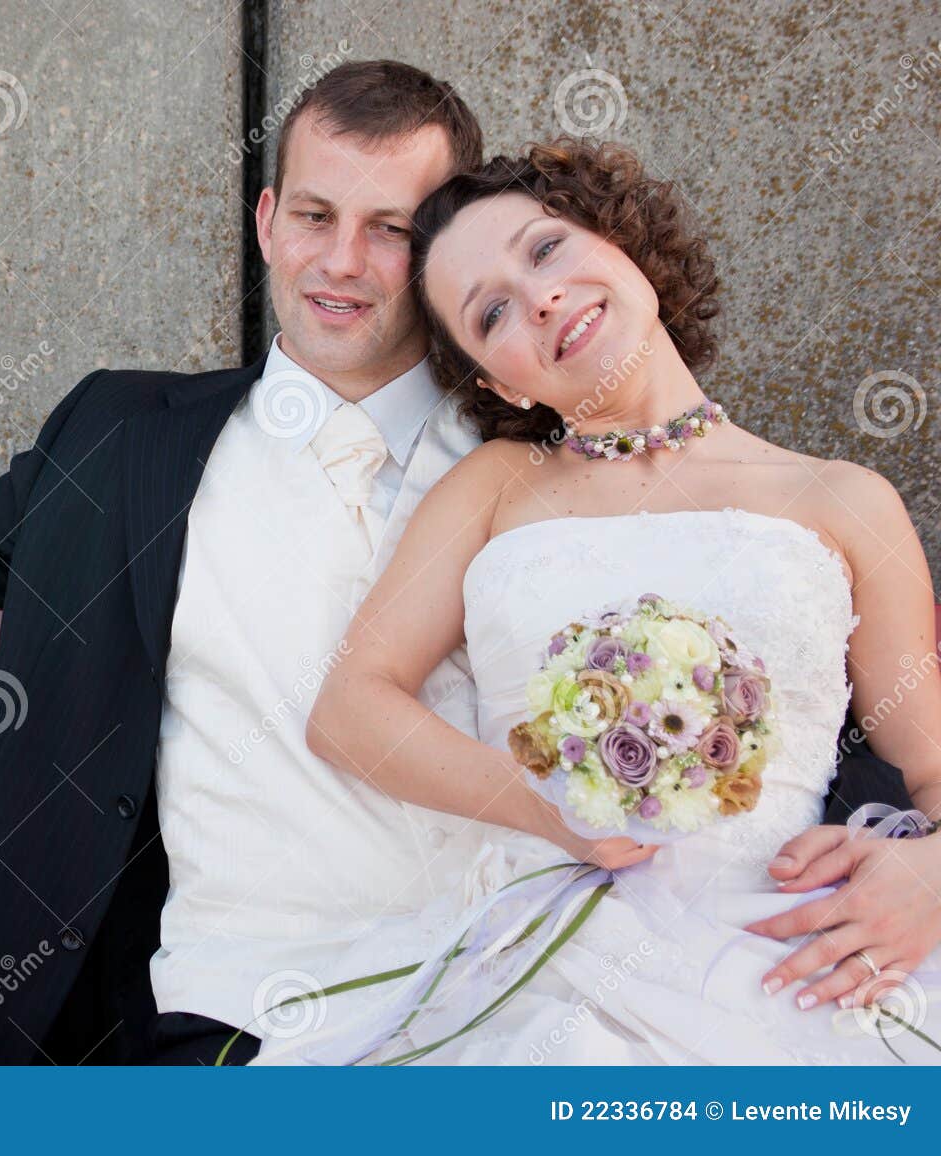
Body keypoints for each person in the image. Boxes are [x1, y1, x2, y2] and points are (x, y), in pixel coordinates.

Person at [0, 66, 912, 1066]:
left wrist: (901, 865)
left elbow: (779, 688)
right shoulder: (132, 444)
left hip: (517, 981)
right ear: (267, 221)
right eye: (315, 215)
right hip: (227, 1003)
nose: (343, 262)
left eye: (393, 231)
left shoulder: (540, 470)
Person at [263, 138, 941, 1064]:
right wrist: (550, 814)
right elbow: (349, 711)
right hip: (552, 955)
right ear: (501, 383)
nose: (539, 298)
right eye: (492, 312)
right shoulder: (496, 487)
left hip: (783, 955)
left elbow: (931, 763)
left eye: (546, 249)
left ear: (625, 244)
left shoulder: (843, 499)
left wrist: (933, 876)